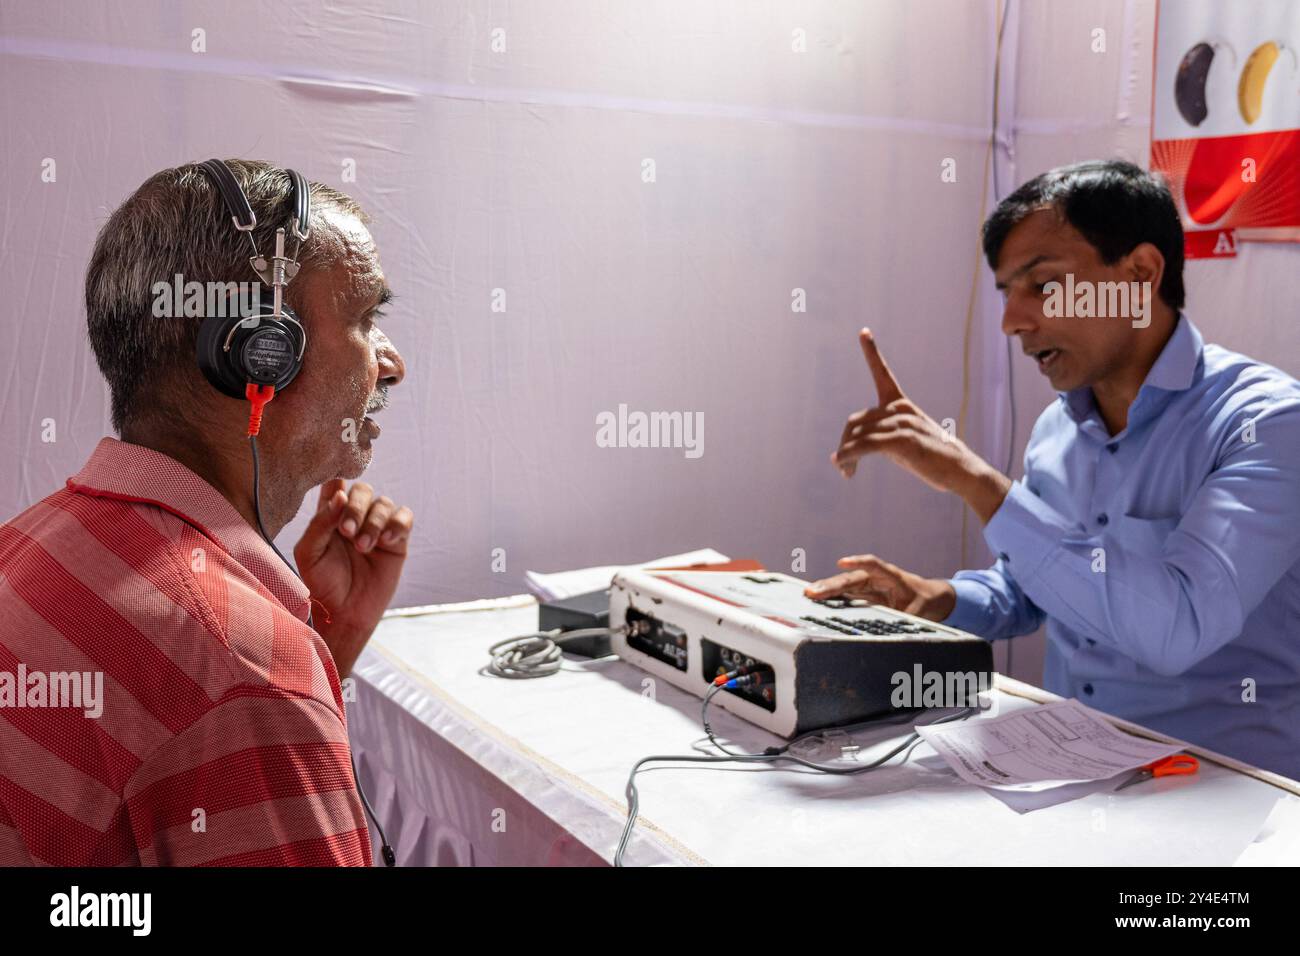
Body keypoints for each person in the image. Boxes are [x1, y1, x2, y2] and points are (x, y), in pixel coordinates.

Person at [806, 159, 1300, 779]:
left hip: (1230, 797)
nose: (1013, 321)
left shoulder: (1266, 423)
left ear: (1141, 274)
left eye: (1042, 286)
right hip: (1076, 775)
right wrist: (937, 598)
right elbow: (1034, 588)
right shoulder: (1058, 428)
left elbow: (1179, 627)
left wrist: (977, 483)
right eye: (1006, 293)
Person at [0, 160, 412, 865]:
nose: (392, 362)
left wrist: (320, 647)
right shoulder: (240, 671)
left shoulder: (30, 542)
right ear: (259, 354)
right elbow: (214, 695)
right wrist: (271, 677)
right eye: (365, 317)